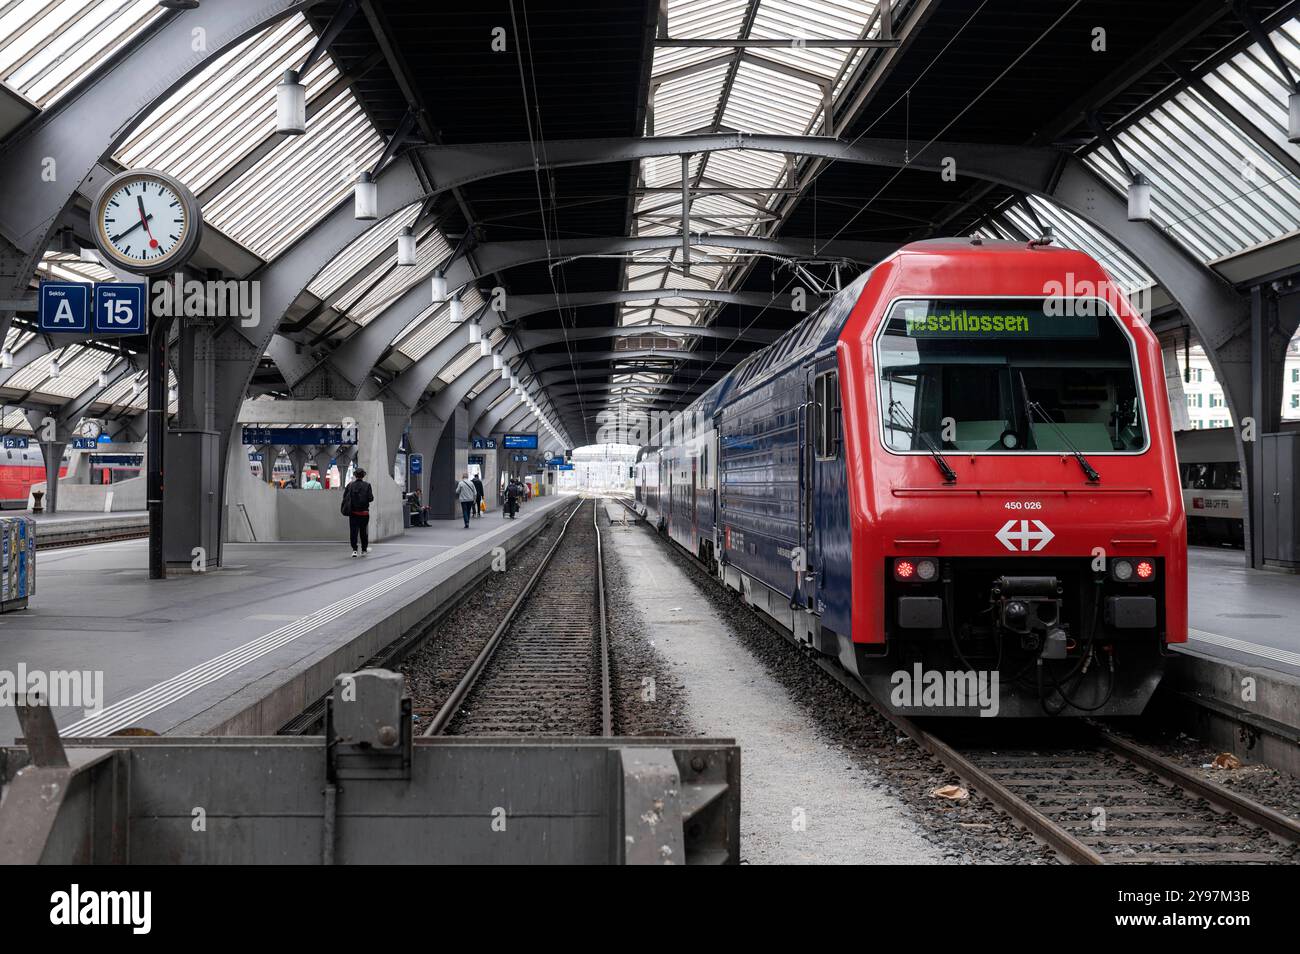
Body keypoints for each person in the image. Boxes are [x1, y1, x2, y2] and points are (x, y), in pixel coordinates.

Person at [341, 467, 374, 557]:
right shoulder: (367, 485)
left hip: (353, 513)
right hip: (364, 513)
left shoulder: (350, 485)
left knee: (353, 532)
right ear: (363, 475)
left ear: (355, 476)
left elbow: (345, 497)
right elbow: (371, 498)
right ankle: (364, 550)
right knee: (363, 531)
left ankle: (354, 550)